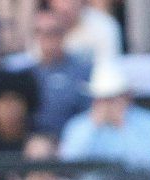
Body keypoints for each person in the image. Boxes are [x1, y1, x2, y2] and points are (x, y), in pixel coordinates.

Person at [5, 8, 92, 139]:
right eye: (40, 32)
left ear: (64, 33)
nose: (47, 38)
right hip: (34, 141)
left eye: (53, 32)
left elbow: (89, 113)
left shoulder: (83, 69)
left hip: (75, 140)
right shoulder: (25, 73)